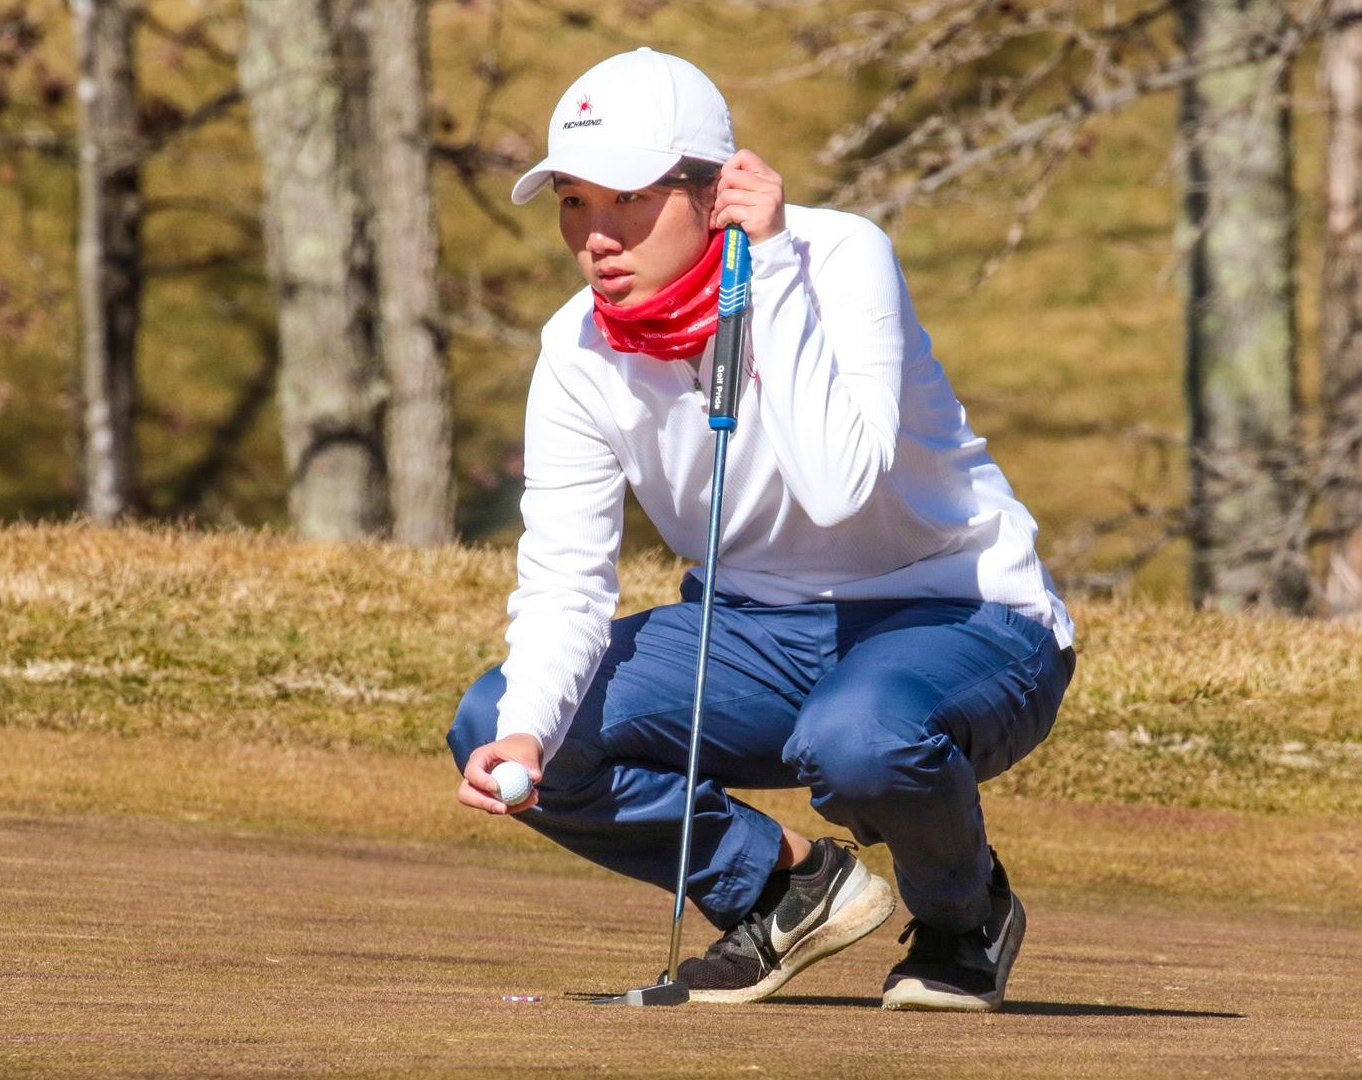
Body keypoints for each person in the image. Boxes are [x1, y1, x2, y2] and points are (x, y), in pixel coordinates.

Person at [448, 48, 1076, 1012]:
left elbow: (838, 489)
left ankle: (963, 916)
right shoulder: (576, 346)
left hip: (962, 617)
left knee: (861, 736)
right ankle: (787, 890)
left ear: (716, 192)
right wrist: (529, 736)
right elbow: (566, 577)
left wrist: (769, 266)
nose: (595, 237)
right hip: (747, 632)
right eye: (574, 202)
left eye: (627, 201)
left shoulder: (834, 255)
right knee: (499, 718)